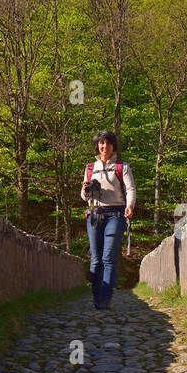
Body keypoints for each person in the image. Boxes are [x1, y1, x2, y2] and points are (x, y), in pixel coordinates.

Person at [80, 130, 135, 310]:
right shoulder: (90, 168)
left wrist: (130, 205)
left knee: (108, 257)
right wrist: (86, 190)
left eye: (108, 143)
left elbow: (130, 189)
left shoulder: (122, 166)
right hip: (95, 214)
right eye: (102, 143)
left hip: (116, 215)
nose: (105, 147)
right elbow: (84, 197)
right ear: (97, 145)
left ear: (113, 146)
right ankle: (97, 297)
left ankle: (106, 298)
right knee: (96, 258)